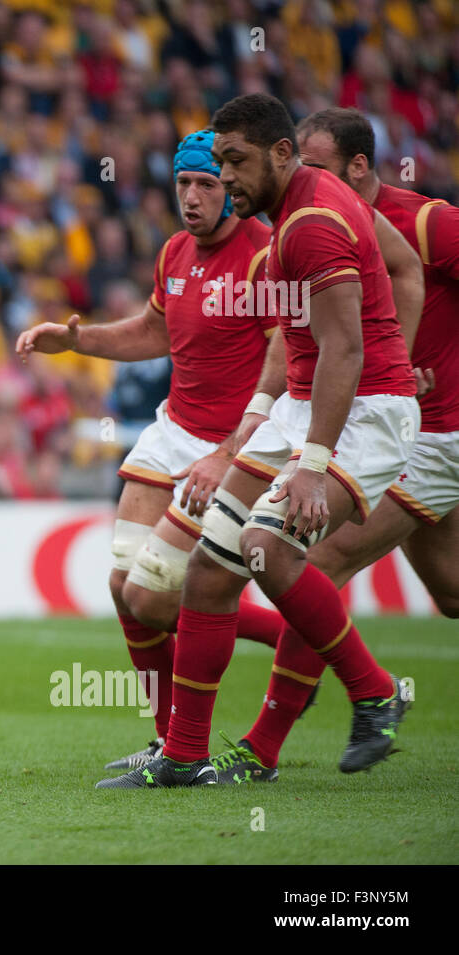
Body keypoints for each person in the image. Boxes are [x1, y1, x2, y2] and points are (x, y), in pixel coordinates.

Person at [100, 94, 419, 788]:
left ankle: (373, 690)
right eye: (216, 164)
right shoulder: (291, 215)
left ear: (282, 154)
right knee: (209, 573)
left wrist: (311, 463)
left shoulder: (309, 223)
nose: (225, 179)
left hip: (361, 412)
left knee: (265, 550)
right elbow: (329, 316)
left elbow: (343, 350)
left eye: (233, 163)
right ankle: (183, 755)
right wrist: (260, 419)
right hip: (300, 406)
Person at [17, 130, 288, 769]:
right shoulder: (174, 252)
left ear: (233, 189)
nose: (191, 198)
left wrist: (231, 449)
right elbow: (151, 332)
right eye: (183, 185)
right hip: (172, 433)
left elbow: (288, 360)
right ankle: (167, 742)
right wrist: (75, 342)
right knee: (122, 586)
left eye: (206, 185)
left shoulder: (266, 257)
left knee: (151, 598)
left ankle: (301, 639)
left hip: (234, 444)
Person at [218, 107, 458, 778]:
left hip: (439, 434)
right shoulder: (330, 218)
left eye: (316, 166)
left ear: (357, 167)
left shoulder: (428, 218)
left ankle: (271, 743)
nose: (302, 178)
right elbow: (323, 329)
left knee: (312, 558)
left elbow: (384, 302)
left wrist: (393, 372)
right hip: (381, 414)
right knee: (451, 594)